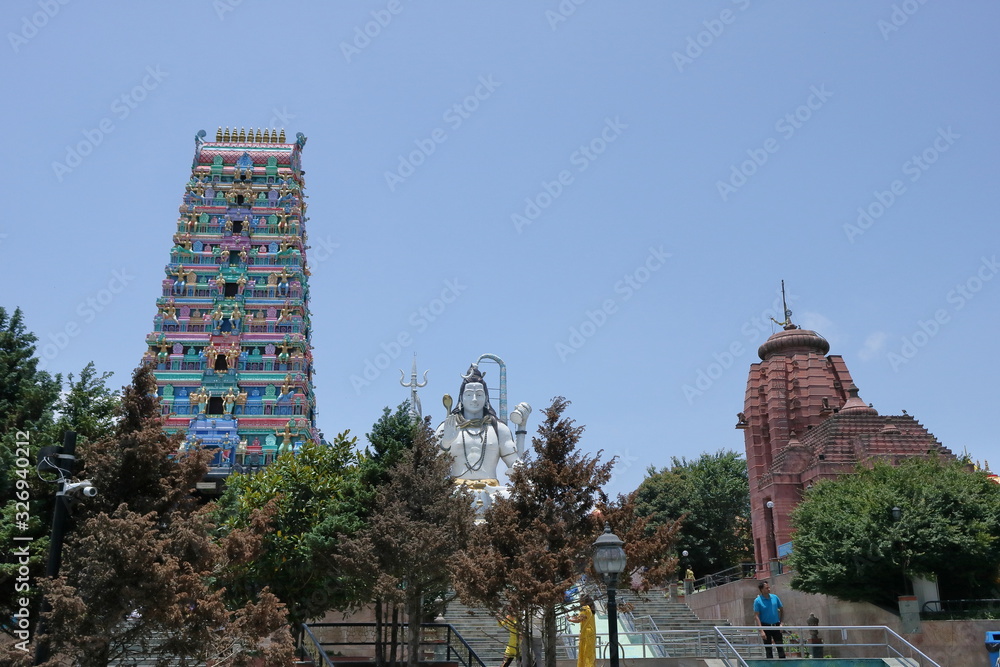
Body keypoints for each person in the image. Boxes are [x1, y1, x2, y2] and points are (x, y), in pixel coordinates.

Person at [435, 364, 530, 485]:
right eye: (469, 394)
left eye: (479, 394)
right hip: (456, 493)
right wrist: (445, 443)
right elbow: (430, 464)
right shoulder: (448, 427)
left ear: (486, 398)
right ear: (461, 398)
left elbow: (514, 462)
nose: (474, 399)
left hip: (491, 492)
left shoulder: (499, 429)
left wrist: (528, 481)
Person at [753, 580, 785, 659]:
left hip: (776, 625)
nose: (769, 589)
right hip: (765, 626)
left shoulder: (775, 597)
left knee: (780, 647)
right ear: (762, 589)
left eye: (769, 587)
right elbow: (756, 616)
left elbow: (782, 610)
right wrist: (761, 630)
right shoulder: (758, 601)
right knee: (768, 649)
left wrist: (781, 623)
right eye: (766, 588)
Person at [568, 596, 595, 667]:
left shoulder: (584, 608)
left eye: (580, 600)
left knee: (584, 652)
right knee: (590, 652)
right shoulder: (590, 609)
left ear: (584, 601)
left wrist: (569, 619)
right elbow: (580, 617)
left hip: (586, 633)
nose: (579, 601)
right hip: (592, 633)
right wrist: (572, 617)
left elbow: (579, 619)